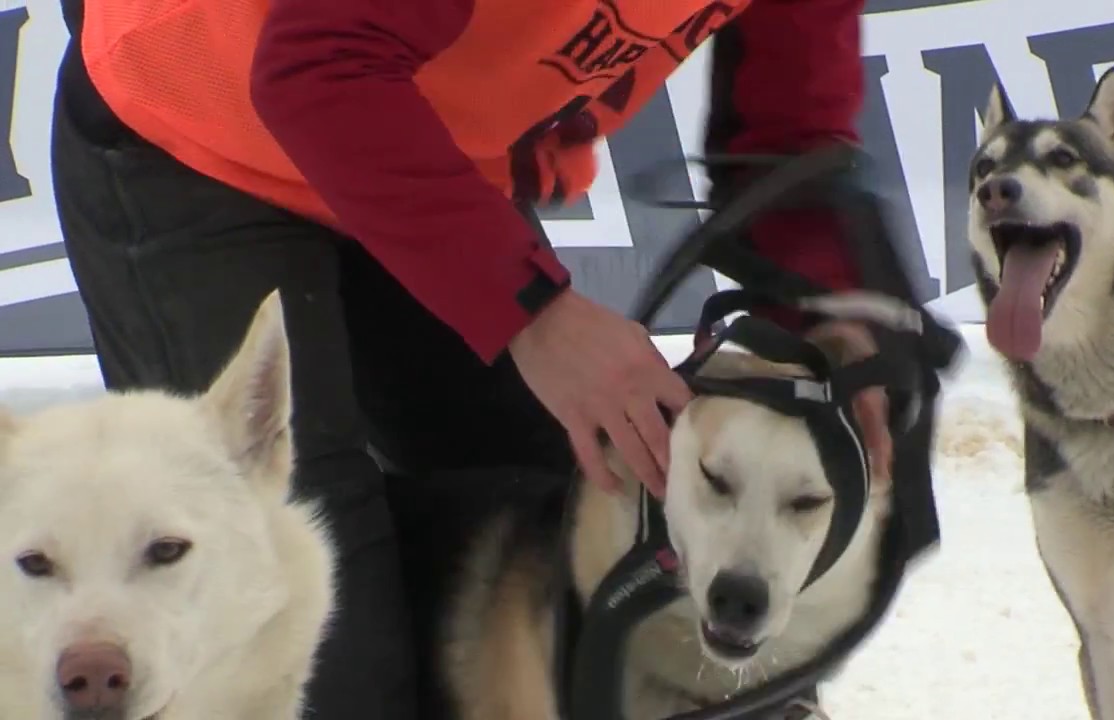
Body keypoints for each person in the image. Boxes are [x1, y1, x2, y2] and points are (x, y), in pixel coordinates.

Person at [50, 0, 937, 716]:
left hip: (418, 143)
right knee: (306, 610)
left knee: (580, 539)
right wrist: (535, 318)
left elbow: (785, 137)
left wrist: (833, 309)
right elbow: (316, 65)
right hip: (194, 130)